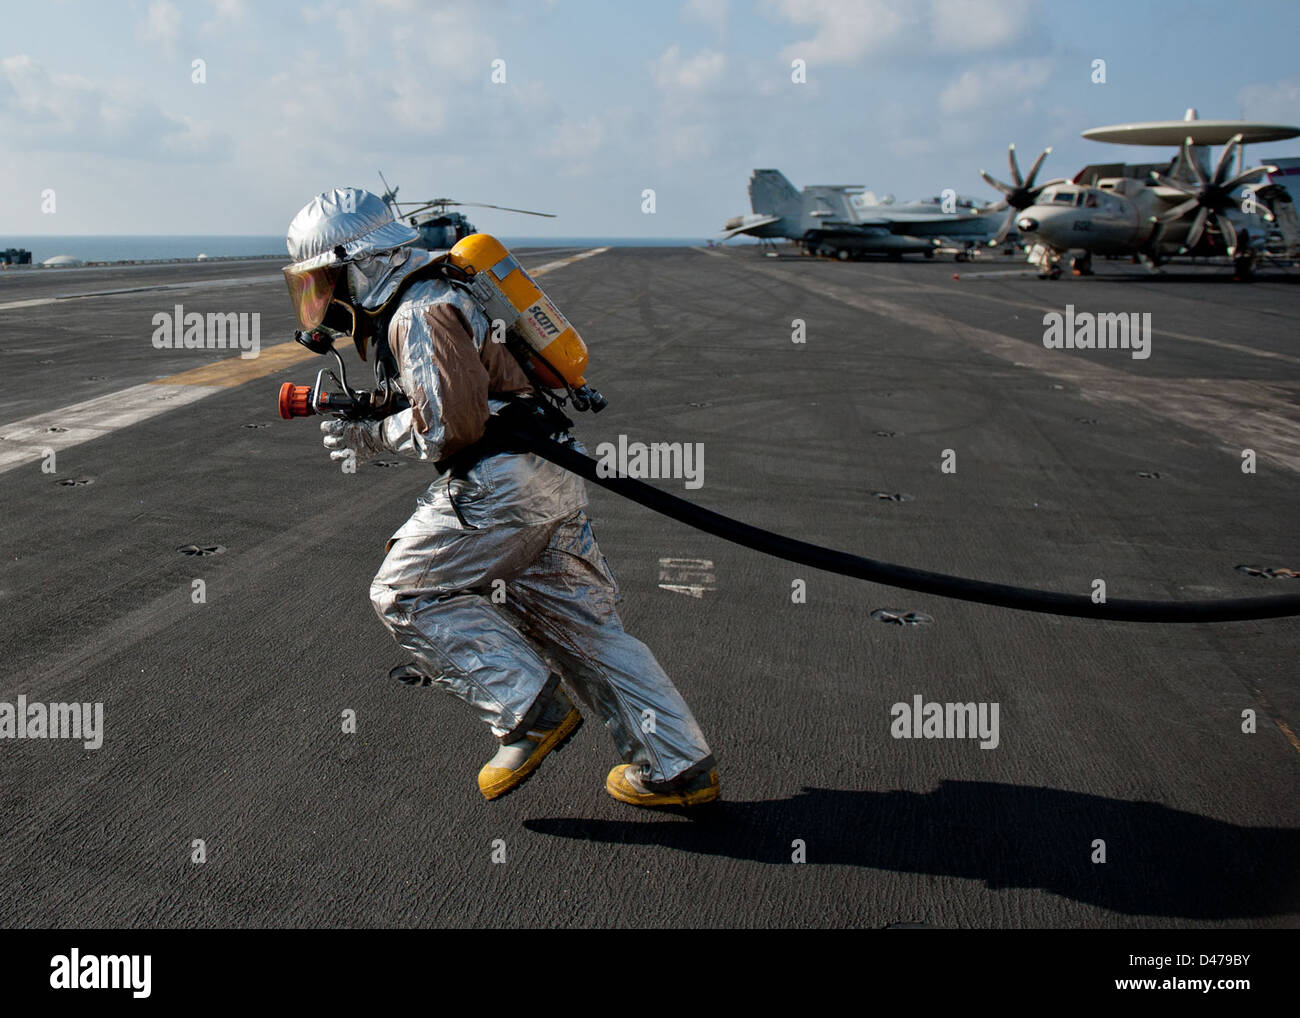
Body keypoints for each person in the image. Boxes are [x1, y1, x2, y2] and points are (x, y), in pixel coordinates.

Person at [282, 187, 719, 807]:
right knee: (587, 631)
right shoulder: (443, 291)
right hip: (548, 476)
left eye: (326, 281)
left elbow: (450, 425)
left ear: (364, 263)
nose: (322, 300)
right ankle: (677, 766)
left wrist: (370, 438)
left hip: (499, 489)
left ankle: (529, 713)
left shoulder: (419, 310)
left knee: (406, 593)